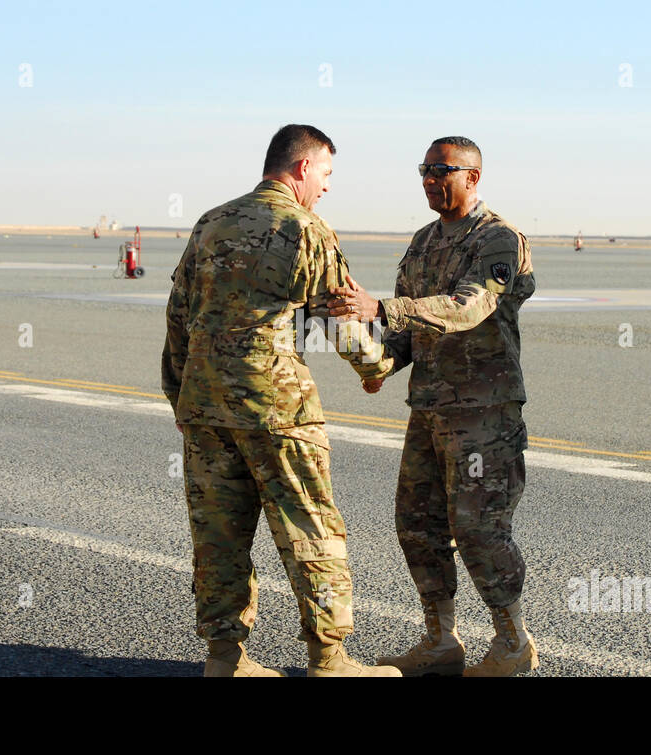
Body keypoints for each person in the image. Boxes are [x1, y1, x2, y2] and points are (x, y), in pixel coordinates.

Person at [162, 124, 400, 677]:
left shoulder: (210, 223)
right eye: (326, 173)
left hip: (206, 406)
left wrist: (182, 396)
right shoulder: (305, 228)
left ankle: (224, 659)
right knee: (310, 527)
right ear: (301, 168)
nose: (327, 186)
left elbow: (179, 317)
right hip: (277, 409)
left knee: (218, 536)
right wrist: (376, 366)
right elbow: (341, 315)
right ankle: (330, 658)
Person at [328, 136, 538, 676]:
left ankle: (512, 642)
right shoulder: (422, 244)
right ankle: (442, 639)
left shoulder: (498, 240)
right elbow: (404, 336)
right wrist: (372, 355)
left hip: (483, 411)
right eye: (423, 169)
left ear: (473, 176)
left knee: (478, 527)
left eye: (441, 169)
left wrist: (383, 306)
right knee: (416, 523)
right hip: (429, 408)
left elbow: (467, 308)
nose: (428, 178)